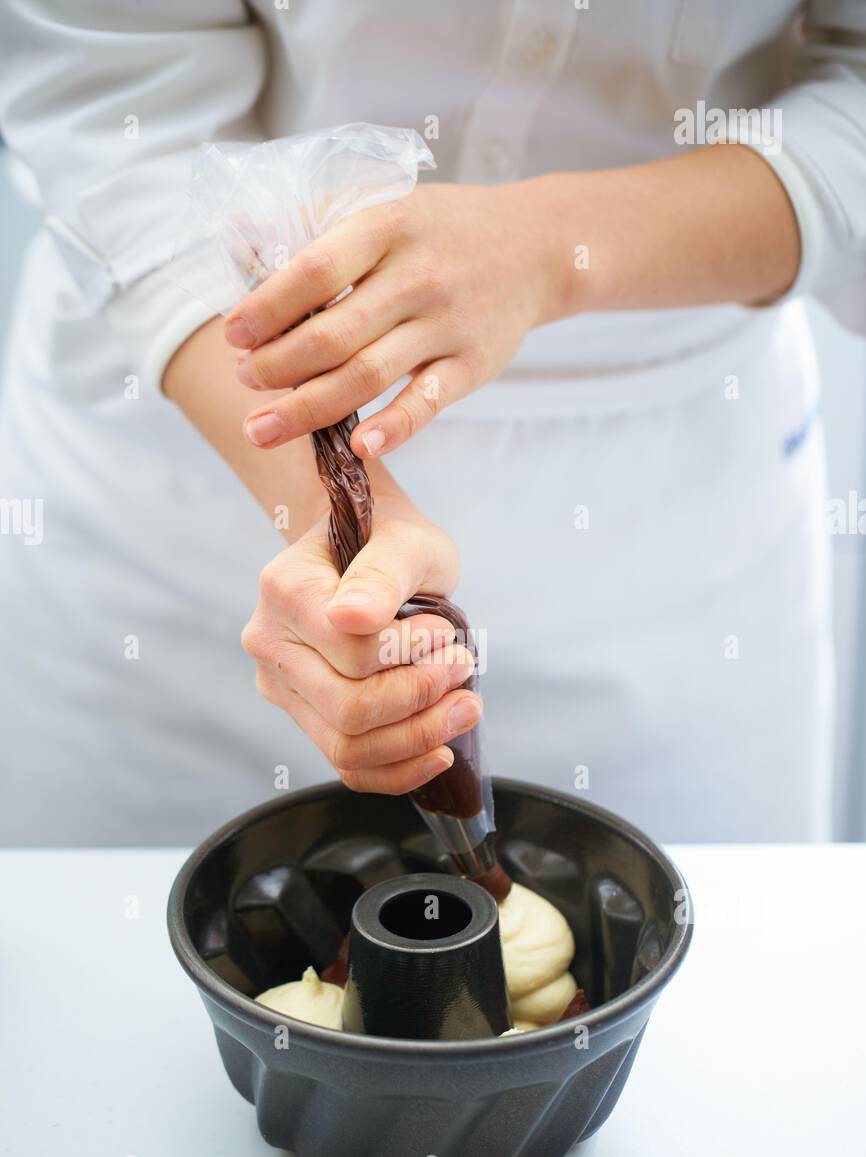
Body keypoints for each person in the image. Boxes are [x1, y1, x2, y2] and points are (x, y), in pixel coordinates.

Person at [1, 1, 864, 848]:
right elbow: (101, 94)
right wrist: (345, 520)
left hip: (670, 513)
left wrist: (548, 248)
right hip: (184, 460)